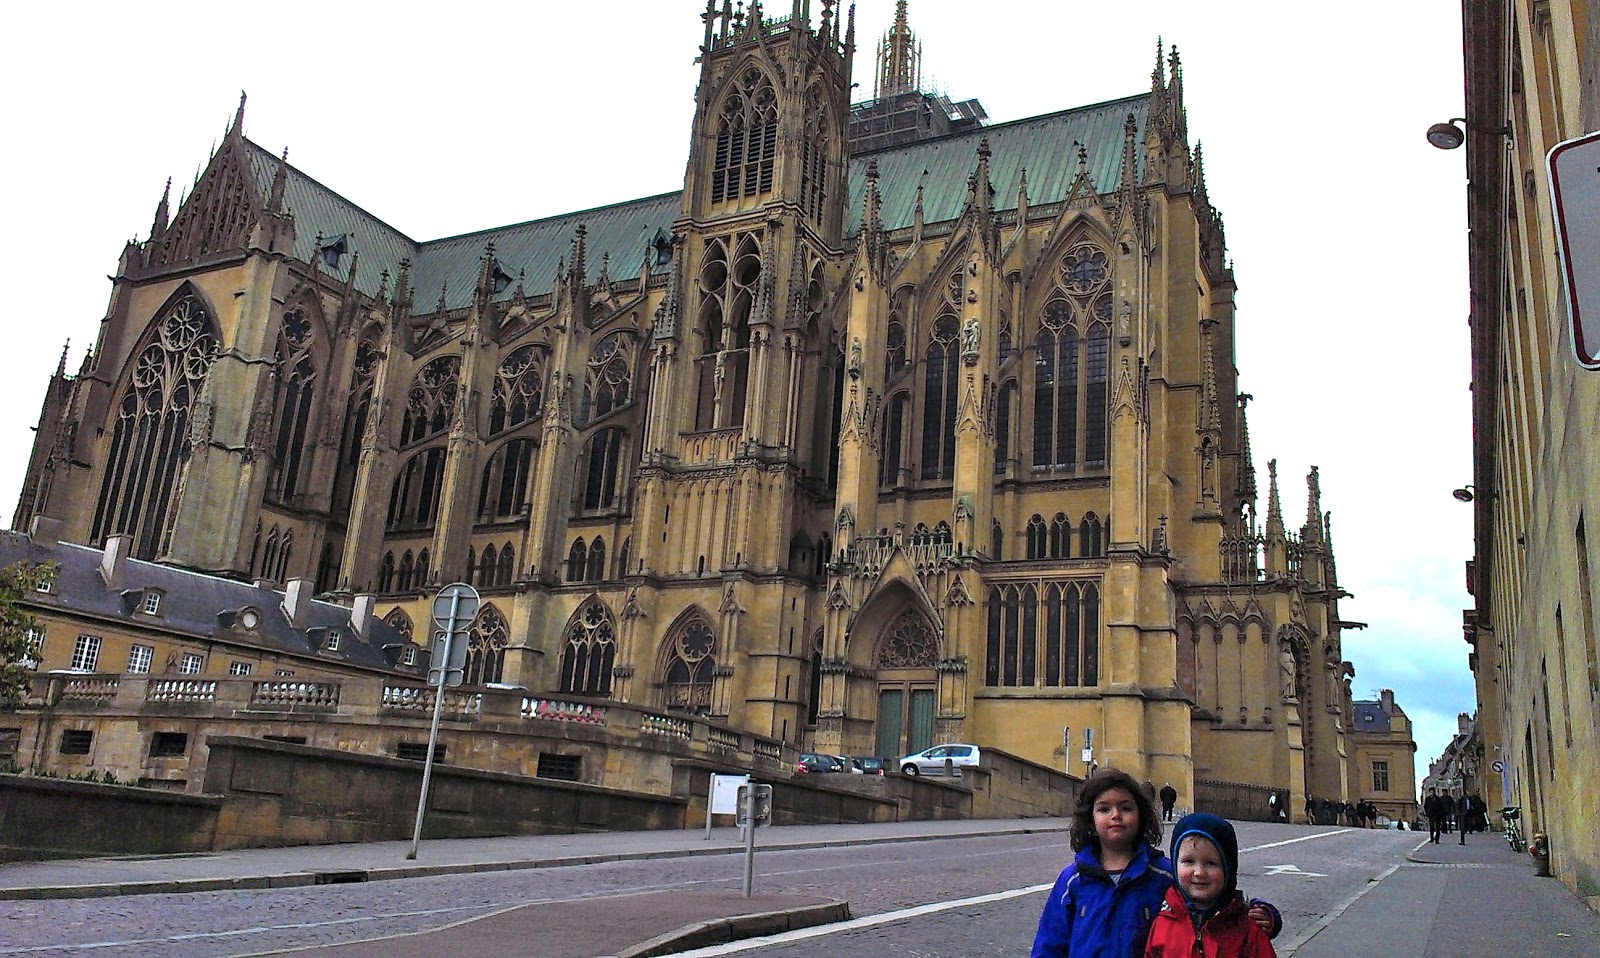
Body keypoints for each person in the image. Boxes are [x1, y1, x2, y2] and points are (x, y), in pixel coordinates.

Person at [1030, 768, 1281, 958]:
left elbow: (1217, 900)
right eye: (1104, 809)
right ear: (1090, 820)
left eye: (1125, 808)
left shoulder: (1164, 873)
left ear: (1141, 816)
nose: (1115, 815)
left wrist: (1264, 913)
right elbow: (1050, 941)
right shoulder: (1072, 880)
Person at [1142, 813, 1277, 958]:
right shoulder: (1163, 924)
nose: (1199, 872)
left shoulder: (1247, 930)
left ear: (1228, 870)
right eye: (1188, 861)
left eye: (1211, 863)